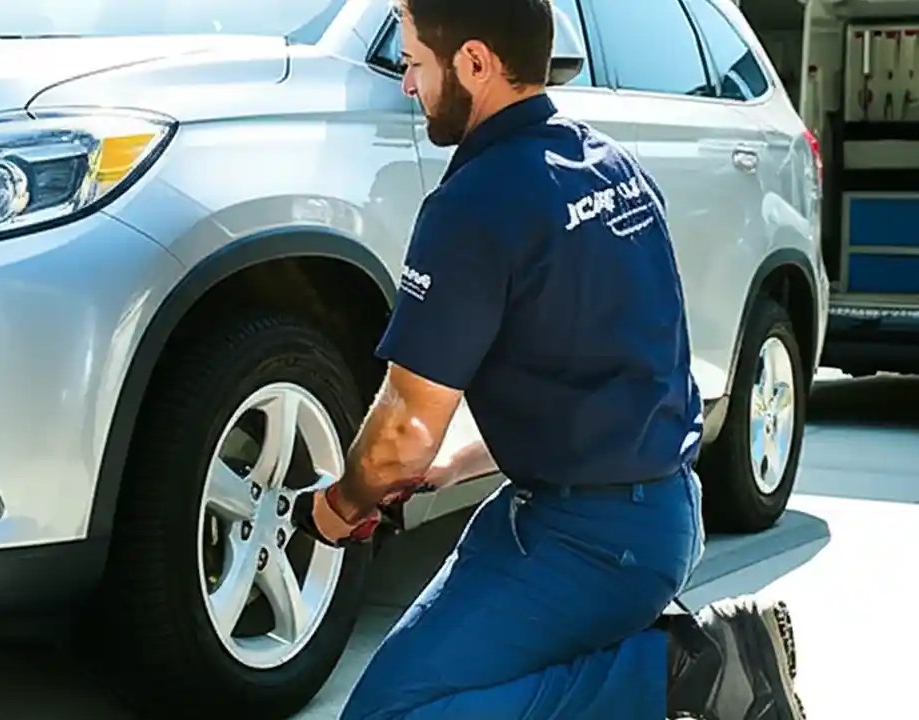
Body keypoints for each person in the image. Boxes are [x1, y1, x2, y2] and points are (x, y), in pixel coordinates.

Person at [291, 0, 806, 718]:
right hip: (656, 509)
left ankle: (686, 670)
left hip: (592, 538)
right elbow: (595, 380)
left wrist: (338, 505)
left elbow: (403, 430)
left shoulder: (476, 202)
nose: (409, 86)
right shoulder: (610, 166)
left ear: (474, 62)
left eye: (413, 63)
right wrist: (449, 464)